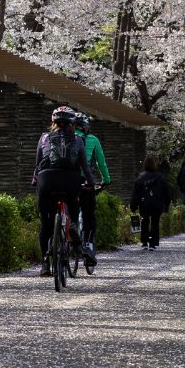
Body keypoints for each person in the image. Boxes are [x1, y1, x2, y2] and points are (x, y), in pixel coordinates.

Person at [31, 106, 96, 276]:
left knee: (45, 223)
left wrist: (34, 180)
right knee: (73, 204)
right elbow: (84, 167)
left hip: (47, 180)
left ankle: (45, 264)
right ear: (72, 123)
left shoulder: (44, 138)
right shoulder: (77, 139)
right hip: (70, 180)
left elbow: (38, 163)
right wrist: (91, 183)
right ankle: (73, 225)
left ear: (53, 122)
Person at [74, 112, 110, 268]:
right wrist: (106, 180)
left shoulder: (61, 139)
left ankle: (67, 232)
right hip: (85, 181)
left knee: (69, 210)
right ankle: (88, 245)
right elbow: (101, 163)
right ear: (85, 127)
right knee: (89, 214)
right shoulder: (92, 140)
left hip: (65, 180)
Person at [130, 156, 172, 250]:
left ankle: (144, 242)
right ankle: (153, 243)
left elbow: (136, 194)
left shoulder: (140, 178)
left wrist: (133, 206)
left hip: (144, 203)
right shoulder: (160, 177)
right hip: (157, 203)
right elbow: (166, 193)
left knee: (144, 221)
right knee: (155, 222)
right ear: (154, 165)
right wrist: (166, 205)